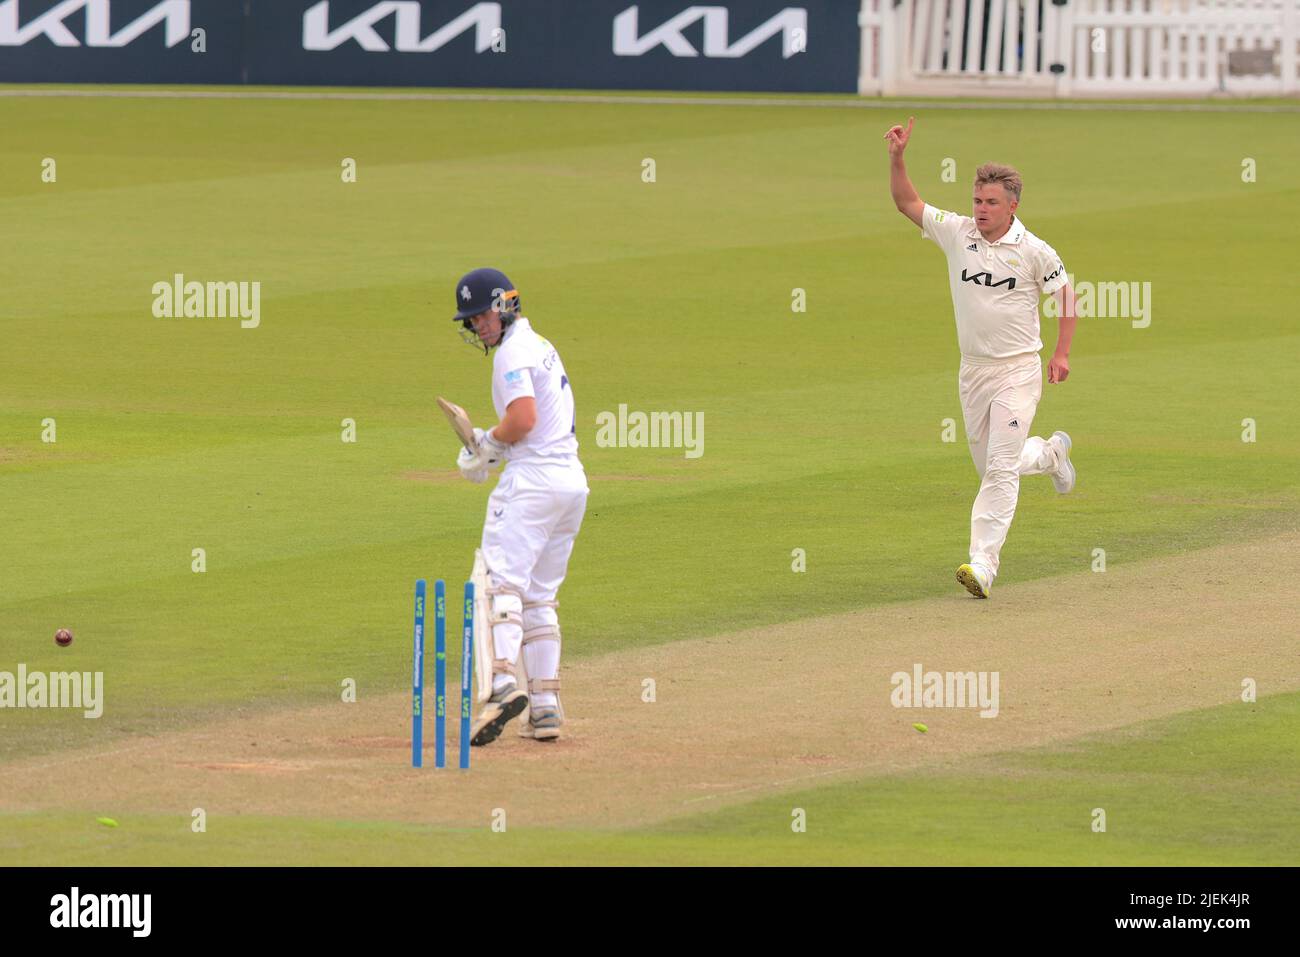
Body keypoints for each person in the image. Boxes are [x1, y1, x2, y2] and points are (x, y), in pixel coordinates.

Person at [884, 117, 1077, 599]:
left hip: (1017, 371)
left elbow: (1068, 297)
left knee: (998, 470)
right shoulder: (958, 233)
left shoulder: (1034, 251)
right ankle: (1052, 453)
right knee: (994, 465)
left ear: (1013, 205)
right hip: (973, 372)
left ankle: (983, 564)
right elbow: (908, 202)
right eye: (977, 200)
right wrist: (897, 157)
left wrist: (1061, 353)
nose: (982, 209)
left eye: (992, 202)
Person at [451, 267, 588, 742]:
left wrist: (487, 442)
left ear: (506, 304)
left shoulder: (511, 352)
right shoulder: (541, 345)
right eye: (471, 321)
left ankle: (502, 684)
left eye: (483, 314)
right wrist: (495, 448)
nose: (479, 326)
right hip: (571, 483)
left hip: (533, 484)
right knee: (538, 595)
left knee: (499, 585)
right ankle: (545, 707)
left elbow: (524, 418)